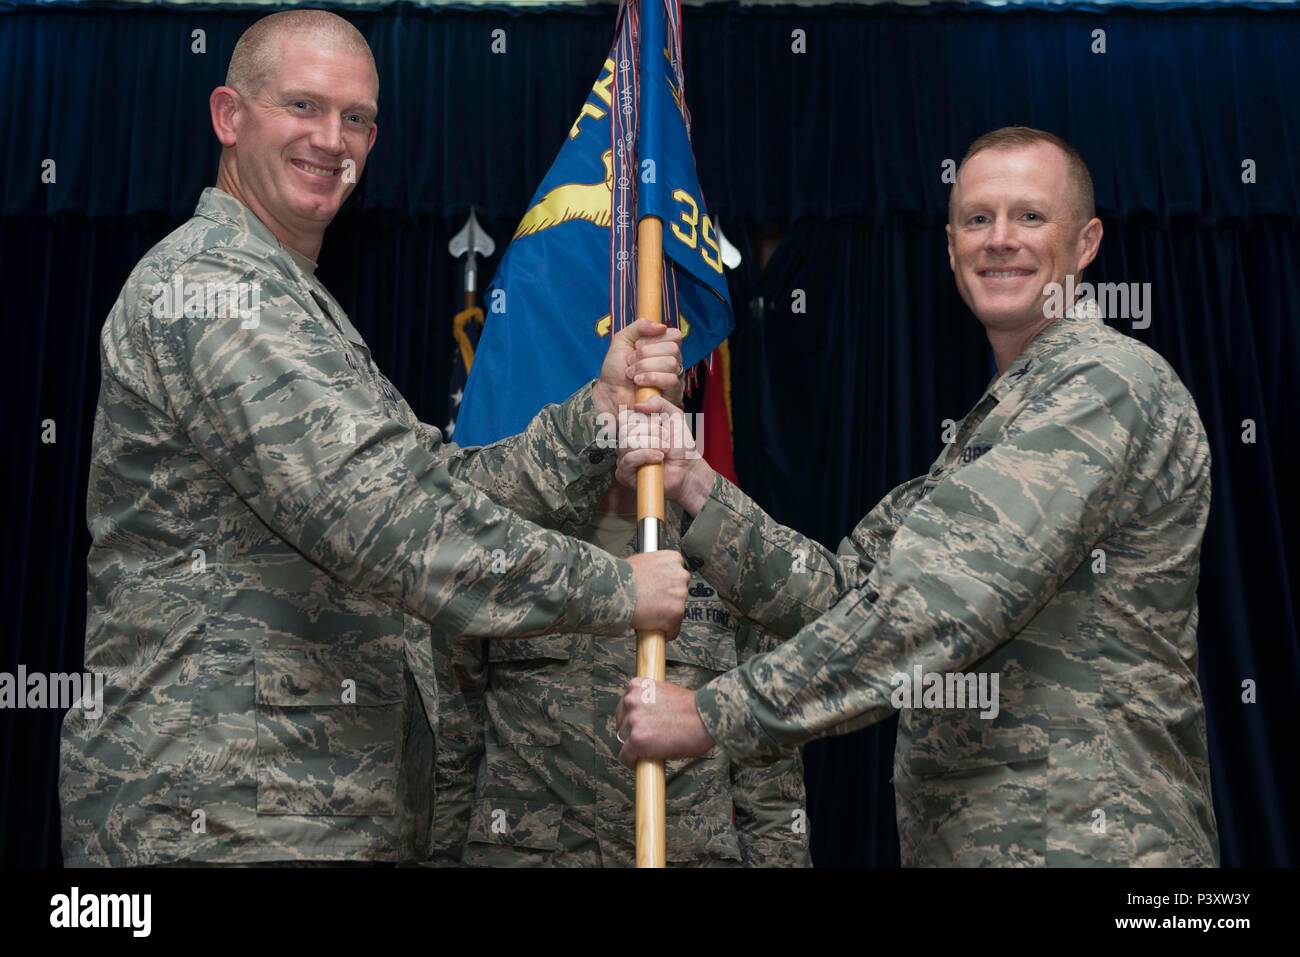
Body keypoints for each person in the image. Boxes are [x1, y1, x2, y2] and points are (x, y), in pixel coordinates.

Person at [61, 8, 689, 867]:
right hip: (219, 817)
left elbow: (428, 484)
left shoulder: (294, 300)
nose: (333, 139)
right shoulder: (208, 290)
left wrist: (597, 417)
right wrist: (618, 590)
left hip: (313, 814)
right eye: (303, 107)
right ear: (228, 116)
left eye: (357, 118)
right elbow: (384, 521)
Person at [614, 127, 1219, 867]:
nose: (1000, 240)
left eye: (1030, 216)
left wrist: (711, 715)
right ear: (949, 244)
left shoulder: (1105, 385)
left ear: (1086, 242)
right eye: (976, 219)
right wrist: (694, 483)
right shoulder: (989, 429)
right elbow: (849, 597)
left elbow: (939, 602)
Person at [434, 481, 811, 868]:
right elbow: (449, 744)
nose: (643, 417)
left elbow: (770, 783)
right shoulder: (511, 538)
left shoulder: (733, 549)